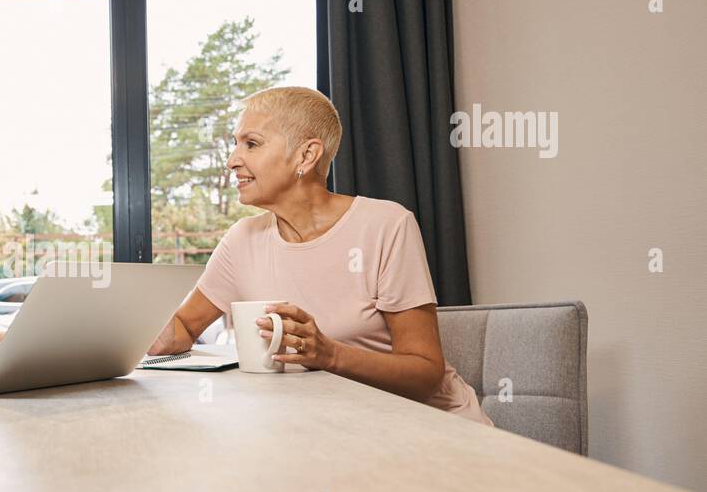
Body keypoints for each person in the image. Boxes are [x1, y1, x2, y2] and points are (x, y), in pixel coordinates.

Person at [148, 86, 491, 425]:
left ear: (306, 156)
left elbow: (425, 374)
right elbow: (181, 329)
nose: (232, 161)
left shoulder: (386, 225)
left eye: (251, 144)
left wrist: (329, 354)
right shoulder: (242, 240)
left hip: (430, 425)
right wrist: (119, 326)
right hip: (332, 425)